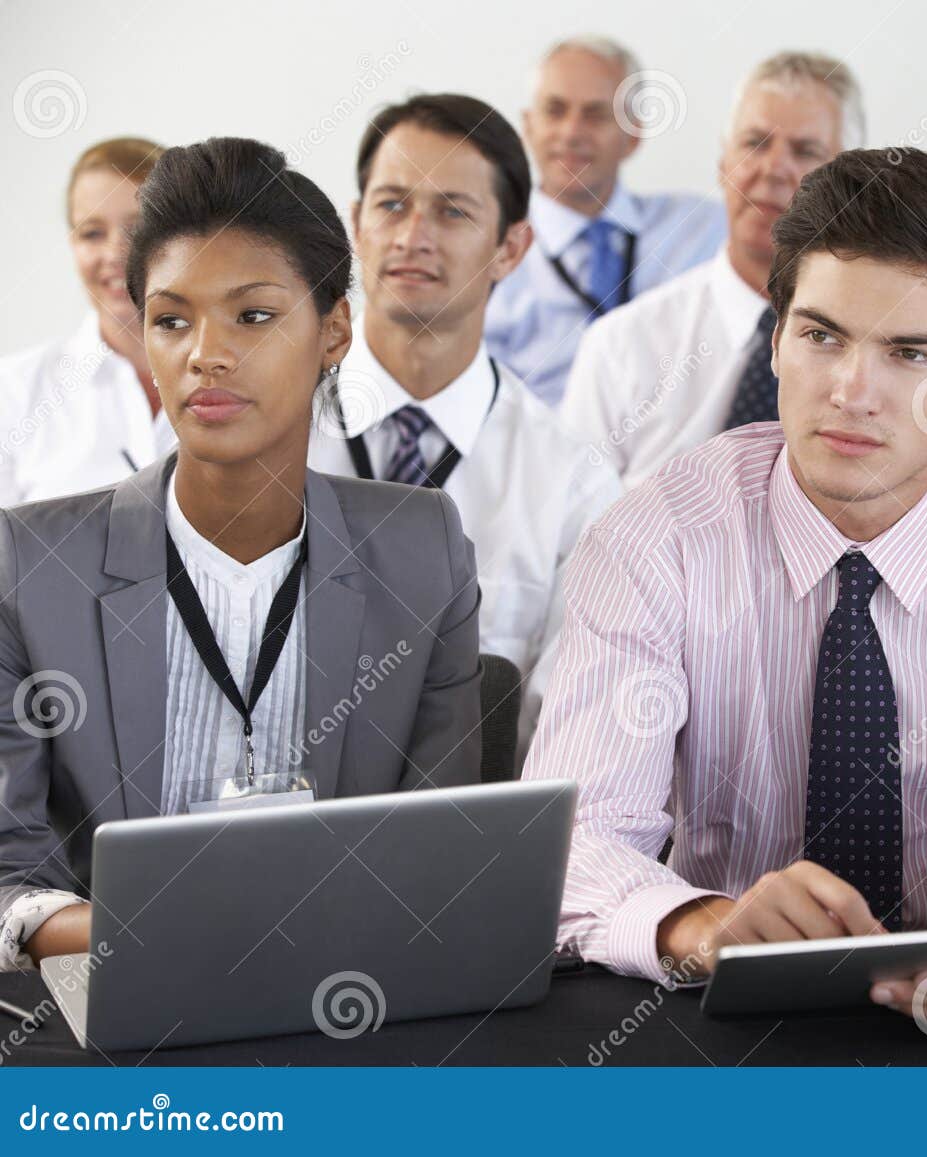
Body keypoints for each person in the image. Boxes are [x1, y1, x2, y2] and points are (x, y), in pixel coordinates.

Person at [525, 148, 927, 1043]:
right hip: (731, 1029)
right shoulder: (655, 536)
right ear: (777, 335)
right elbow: (573, 838)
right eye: (822, 335)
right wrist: (703, 925)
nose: (850, 392)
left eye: (909, 353)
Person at [0, 138, 483, 971]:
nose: (204, 353)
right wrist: (167, 934)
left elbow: (441, 857)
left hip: (343, 1003)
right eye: (172, 318)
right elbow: (9, 876)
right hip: (112, 1007)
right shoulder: (29, 562)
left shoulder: (424, 549)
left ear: (334, 329)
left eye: (253, 316)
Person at [308, 94, 620, 758]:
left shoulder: (573, 481)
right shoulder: (269, 431)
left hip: (477, 841)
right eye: (391, 204)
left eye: (452, 211)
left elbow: (564, 733)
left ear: (511, 247)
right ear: (357, 224)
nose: (412, 235)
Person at [559, 51, 863, 488]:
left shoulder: (881, 357)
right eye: (755, 143)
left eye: (805, 150)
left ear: (848, 185)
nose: (773, 168)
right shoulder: (622, 347)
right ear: (723, 164)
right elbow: (573, 539)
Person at [484, 37, 726, 405]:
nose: (571, 133)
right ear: (528, 127)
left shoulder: (702, 229)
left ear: (633, 135)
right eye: (555, 110)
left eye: (596, 115)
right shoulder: (483, 248)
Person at [0, 138, 167, 505]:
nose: (115, 254)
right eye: (92, 233)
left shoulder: (255, 379)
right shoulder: (12, 394)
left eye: (139, 228)